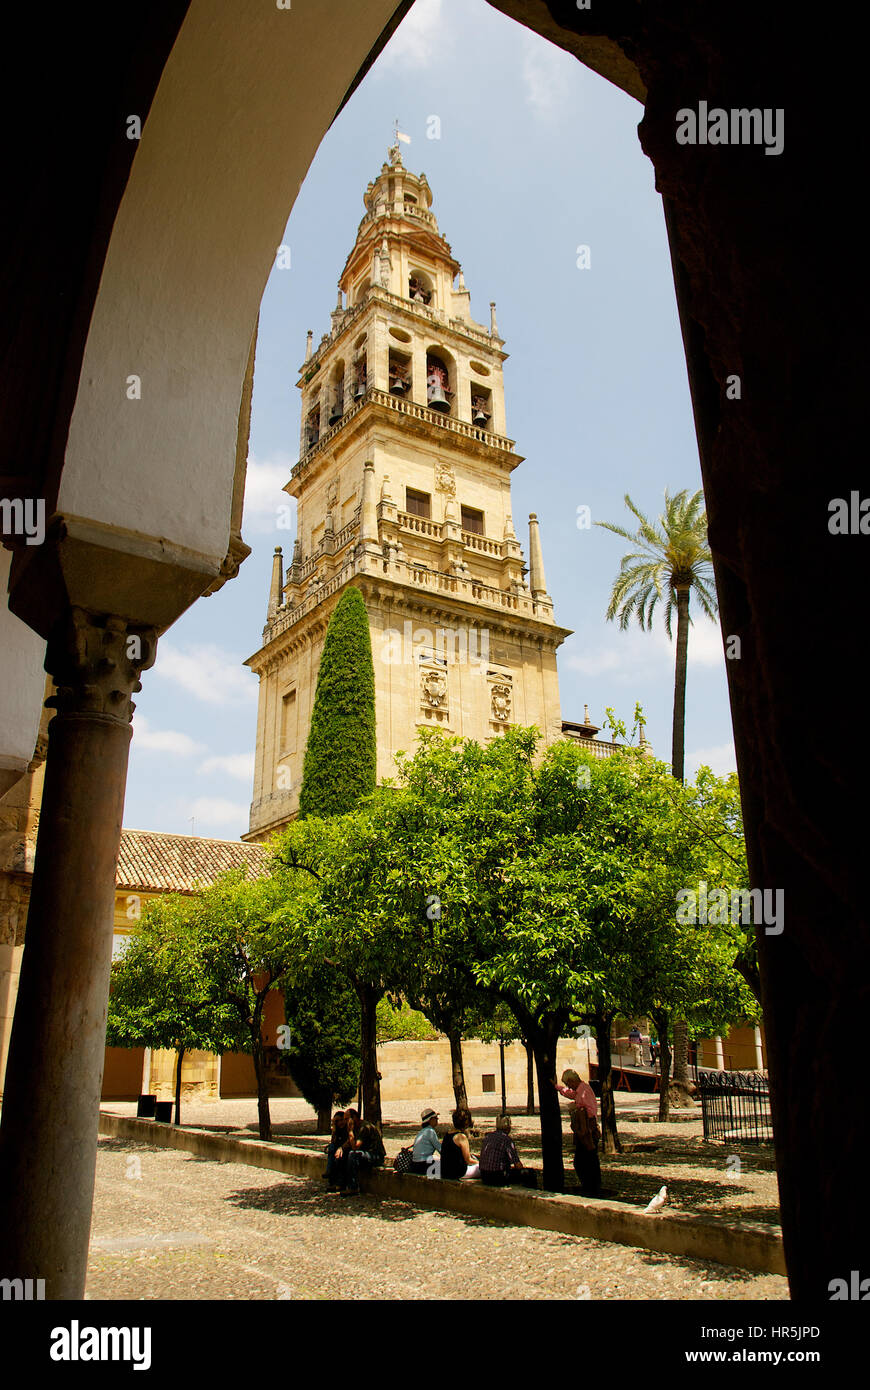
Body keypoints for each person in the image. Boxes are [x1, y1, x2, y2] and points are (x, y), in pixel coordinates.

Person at [339, 1108, 386, 1197]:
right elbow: (349, 1143)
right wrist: (340, 1148)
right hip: (366, 1154)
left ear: (354, 1117)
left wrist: (350, 1132)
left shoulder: (364, 1127)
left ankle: (353, 1187)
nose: (345, 1122)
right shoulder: (356, 1127)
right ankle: (341, 1183)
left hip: (375, 1156)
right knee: (343, 1153)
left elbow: (355, 1147)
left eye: (347, 1119)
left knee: (352, 1155)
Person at [479, 1113, 535, 1187]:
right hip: (497, 1177)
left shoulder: (488, 1137)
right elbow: (517, 1165)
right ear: (508, 1127)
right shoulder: (506, 1140)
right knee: (530, 1173)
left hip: (484, 1175)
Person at [570, 1102, 602, 1197]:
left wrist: (576, 1128)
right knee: (586, 1163)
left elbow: (583, 1130)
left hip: (586, 1139)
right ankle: (591, 1188)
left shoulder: (582, 1109)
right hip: (586, 1138)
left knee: (582, 1163)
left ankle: (590, 1189)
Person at [439, 1108, 480, 1180]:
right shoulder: (461, 1137)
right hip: (458, 1173)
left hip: (445, 1172)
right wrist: (479, 1162)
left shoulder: (447, 1134)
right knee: (484, 1168)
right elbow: (468, 1160)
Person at [410, 1107, 441, 1175]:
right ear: (430, 1120)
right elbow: (440, 1149)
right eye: (436, 1118)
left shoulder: (422, 1131)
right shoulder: (430, 1131)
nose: (437, 1120)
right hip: (423, 1165)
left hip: (415, 1165)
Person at [323, 1110, 349, 1187]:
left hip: (346, 1149)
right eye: (337, 1121)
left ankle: (335, 1179)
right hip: (337, 1150)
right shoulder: (337, 1130)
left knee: (338, 1158)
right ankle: (329, 1172)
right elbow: (333, 1141)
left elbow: (349, 1142)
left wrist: (341, 1148)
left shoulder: (348, 1128)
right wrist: (334, 1128)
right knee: (332, 1148)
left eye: (341, 1120)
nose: (340, 1123)